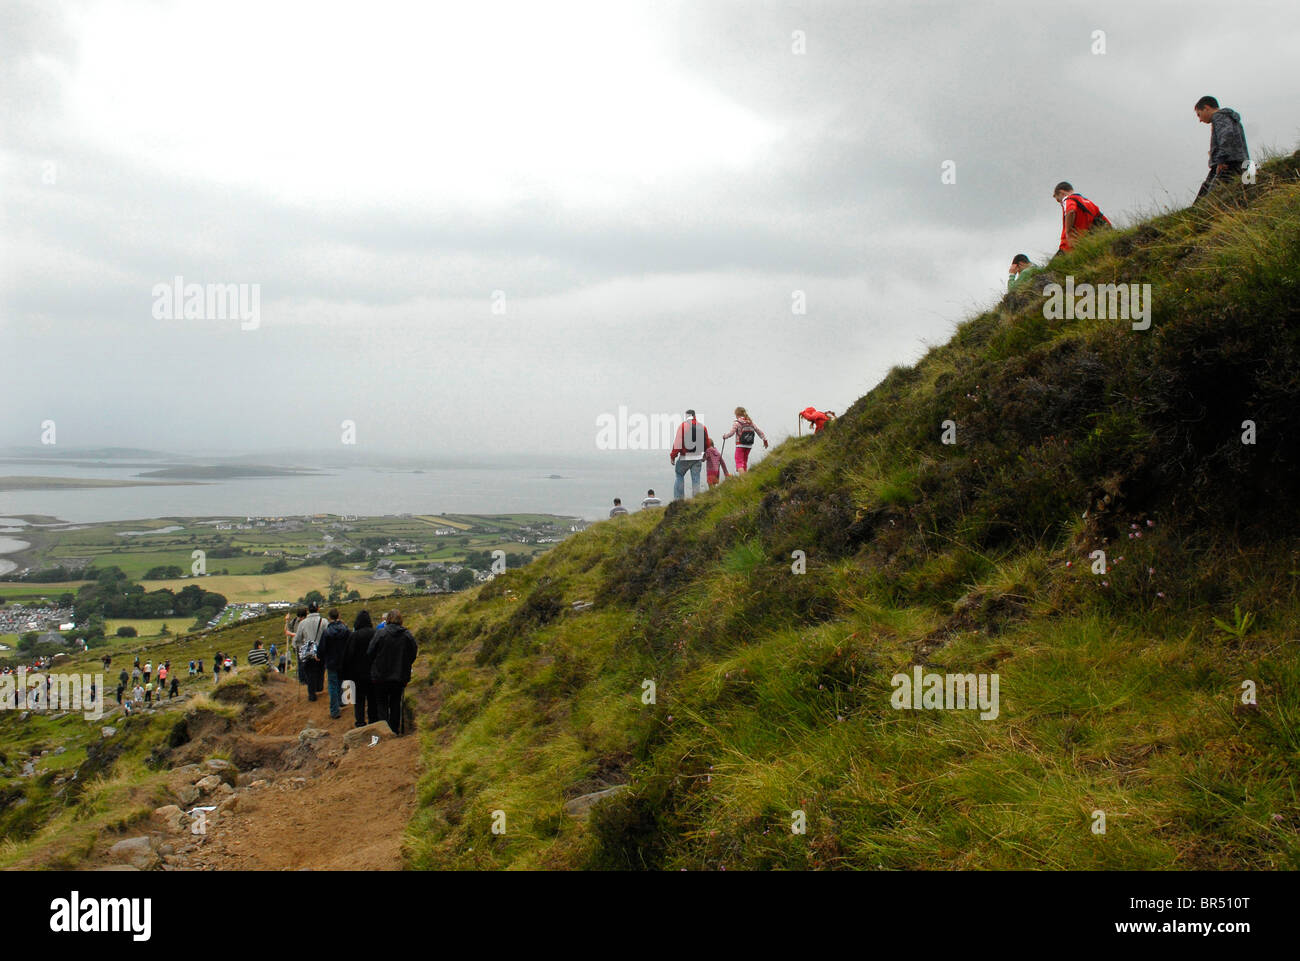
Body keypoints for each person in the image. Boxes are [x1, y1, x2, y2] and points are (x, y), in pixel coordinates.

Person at [368, 610, 417, 734]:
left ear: (388, 619)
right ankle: (394, 729)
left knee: (381, 703)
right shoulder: (407, 635)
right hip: (399, 675)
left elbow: (370, 652)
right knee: (395, 702)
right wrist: (406, 664)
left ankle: (384, 731)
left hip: (380, 675)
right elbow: (413, 652)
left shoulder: (380, 633)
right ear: (401, 620)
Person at [1194, 96, 1250, 202]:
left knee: (1207, 200)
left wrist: (1221, 158)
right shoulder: (1230, 118)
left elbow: (1227, 135)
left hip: (1227, 164)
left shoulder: (1220, 117)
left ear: (1206, 108)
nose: (1200, 120)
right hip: (1240, 162)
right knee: (1238, 196)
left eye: (1199, 114)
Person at [342, 610, 381, 727]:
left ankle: (360, 722)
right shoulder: (376, 633)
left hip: (357, 674)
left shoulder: (354, 636)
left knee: (358, 699)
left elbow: (348, 656)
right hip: (372, 672)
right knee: (372, 698)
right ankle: (373, 721)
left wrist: (346, 673)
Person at [1051, 182, 1110, 256]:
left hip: (1069, 247)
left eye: (1058, 200)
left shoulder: (1068, 199)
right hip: (1085, 244)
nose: (1060, 203)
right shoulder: (1088, 202)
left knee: (1054, 267)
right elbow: (1105, 222)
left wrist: (1068, 233)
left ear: (1061, 193)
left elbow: (1071, 211)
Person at [669, 409, 710, 500]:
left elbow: (677, 443)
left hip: (685, 457)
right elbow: (707, 443)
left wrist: (673, 456)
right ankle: (696, 499)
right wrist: (704, 455)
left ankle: (679, 499)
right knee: (696, 478)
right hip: (698, 457)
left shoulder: (683, 426)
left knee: (679, 475)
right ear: (695, 416)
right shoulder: (702, 427)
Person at [318, 609, 350, 720]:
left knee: (332, 685)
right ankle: (343, 701)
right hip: (343, 661)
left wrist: (320, 657)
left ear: (329, 618)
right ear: (339, 616)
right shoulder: (346, 630)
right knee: (342, 681)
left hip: (331, 661)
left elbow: (322, 648)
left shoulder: (327, 632)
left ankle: (335, 710)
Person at [294, 602, 328, 701]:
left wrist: (301, 646)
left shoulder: (302, 623)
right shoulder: (324, 621)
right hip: (320, 649)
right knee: (320, 668)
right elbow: (328, 635)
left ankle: (311, 694)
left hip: (307, 648)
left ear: (308, 611)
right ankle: (319, 686)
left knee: (309, 671)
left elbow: (297, 639)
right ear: (318, 609)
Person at [721, 407, 769, 473]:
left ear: (737, 414)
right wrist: (765, 440)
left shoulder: (737, 423)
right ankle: (746, 479)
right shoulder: (750, 422)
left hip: (740, 445)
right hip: (749, 445)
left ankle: (743, 479)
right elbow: (759, 431)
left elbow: (732, 433)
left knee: (739, 463)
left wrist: (725, 436)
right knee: (744, 462)